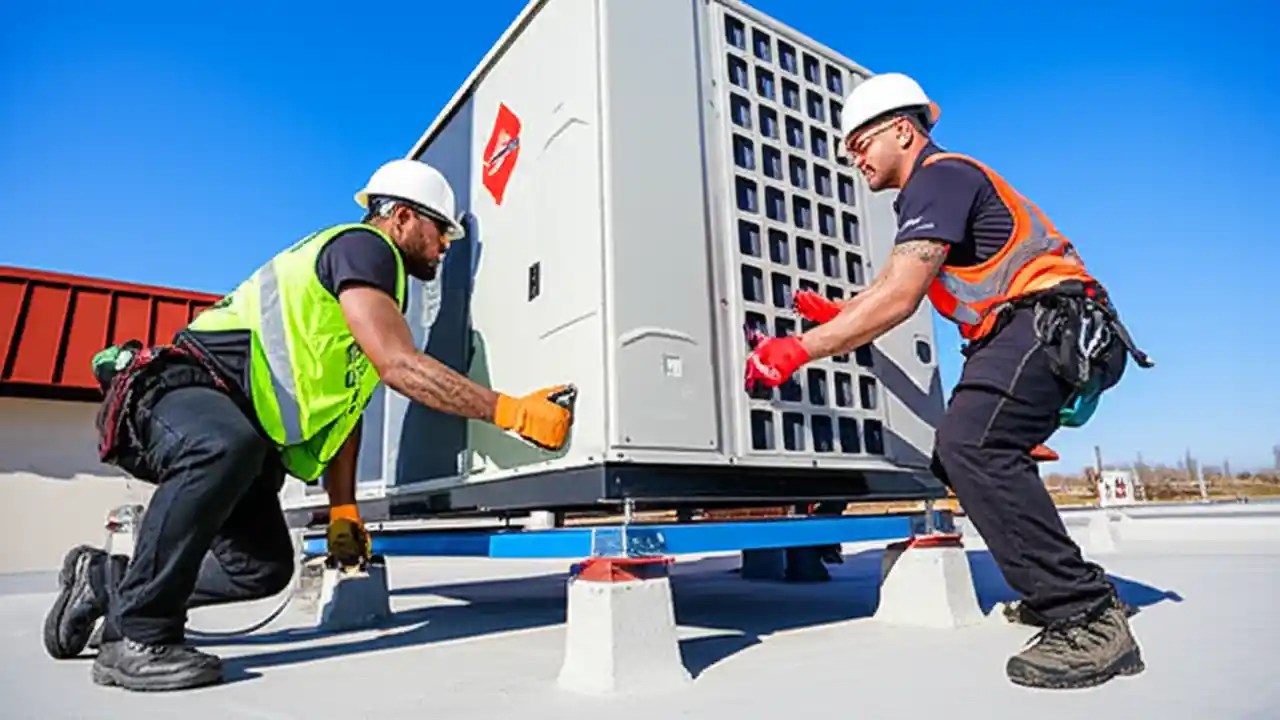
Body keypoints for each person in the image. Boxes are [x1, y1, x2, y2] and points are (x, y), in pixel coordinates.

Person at [42, 158, 575, 692]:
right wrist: (510, 412)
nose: (445, 246)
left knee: (262, 568)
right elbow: (400, 365)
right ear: (404, 218)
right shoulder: (367, 248)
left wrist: (344, 509)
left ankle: (106, 582)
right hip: (185, 393)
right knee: (225, 445)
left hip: (239, 439)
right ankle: (137, 636)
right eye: (441, 231)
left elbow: (345, 416)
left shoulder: (371, 294)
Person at [742, 72, 1154, 690]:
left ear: (901, 131)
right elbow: (889, 285)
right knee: (969, 449)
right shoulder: (929, 195)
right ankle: (1063, 591)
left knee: (972, 446)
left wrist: (797, 349)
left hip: (1049, 322)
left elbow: (900, 297)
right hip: (1038, 330)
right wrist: (842, 314)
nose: (852, 158)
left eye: (859, 143)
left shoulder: (939, 177)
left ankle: (1087, 618)